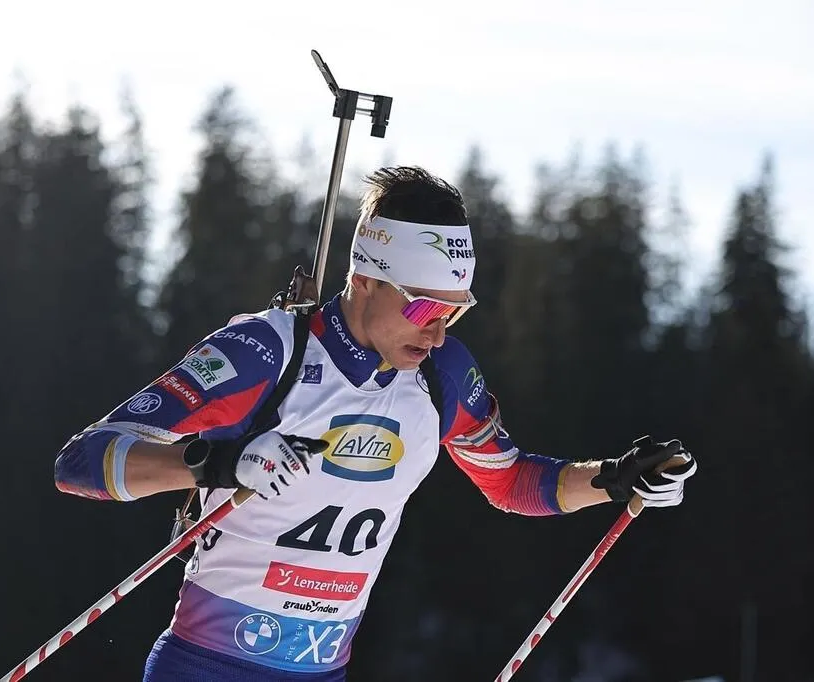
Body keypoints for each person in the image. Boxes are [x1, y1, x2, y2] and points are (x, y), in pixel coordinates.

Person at [52, 165, 697, 681]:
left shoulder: (442, 377)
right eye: (423, 307)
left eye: (455, 311)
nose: (438, 331)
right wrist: (214, 463)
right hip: (211, 666)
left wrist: (615, 480)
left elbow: (512, 481)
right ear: (366, 280)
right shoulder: (266, 352)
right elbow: (83, 462)